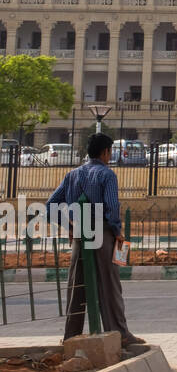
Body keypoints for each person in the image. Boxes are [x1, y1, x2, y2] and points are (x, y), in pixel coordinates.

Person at [48, 133, 145, 345]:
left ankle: (71, 337)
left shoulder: (72, 175)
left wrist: (69, 226)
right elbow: (111, 207)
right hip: (103, 234)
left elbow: (50, 205)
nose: (110, 156)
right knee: (109, 285)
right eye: (110, 151)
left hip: (80, 235)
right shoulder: (107, 175)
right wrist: (117, 231)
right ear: (105, 152)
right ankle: (120, 334)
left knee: (76, 286)